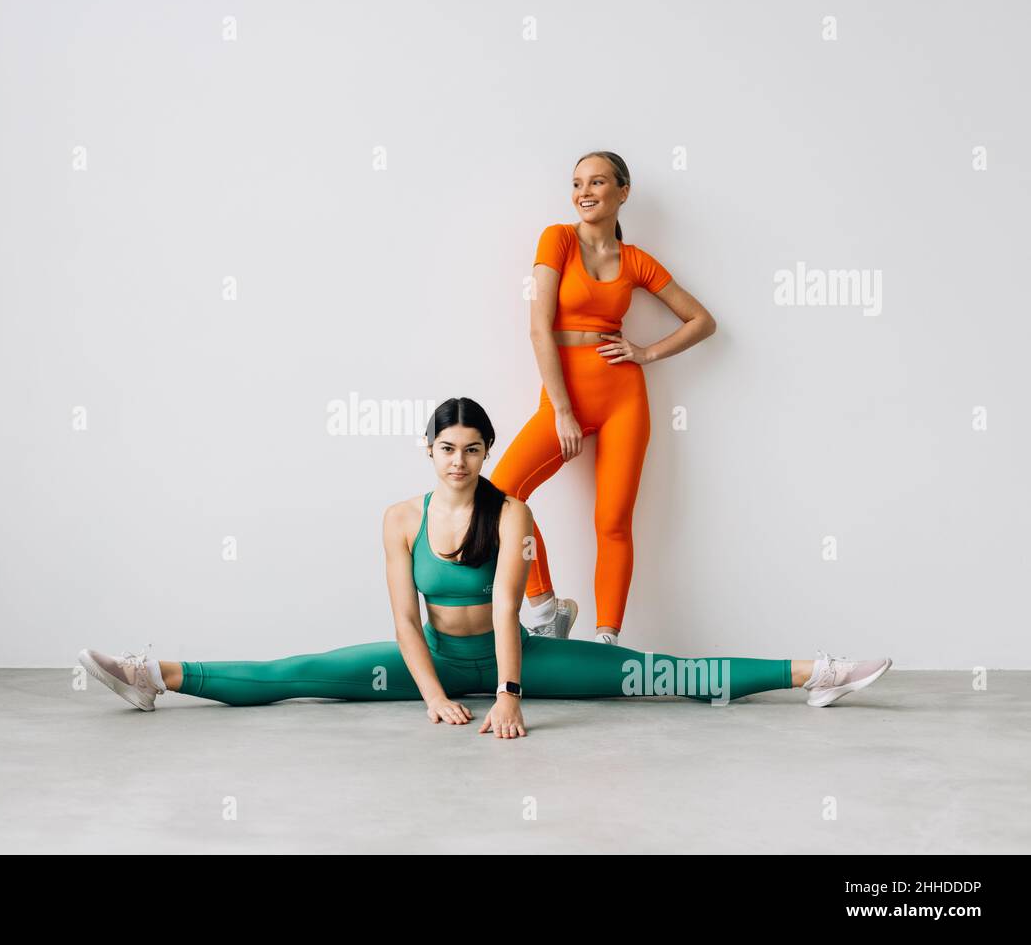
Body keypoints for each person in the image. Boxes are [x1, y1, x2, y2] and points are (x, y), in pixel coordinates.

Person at [77, 398, 891, 738]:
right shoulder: (401, 517)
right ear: (428, 451)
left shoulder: (512, 512)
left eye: (473, 448)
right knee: (298, 670)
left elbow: (508, 609)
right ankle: (154, 673)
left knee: (661, 674)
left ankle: (817, 669)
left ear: (486, 452)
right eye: (447, 448)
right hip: (428, 660)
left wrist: (509, 698)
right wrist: (433, 695)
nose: (460, 458)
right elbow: (403, 620)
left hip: (516, 660)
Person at [491, 151, 716, 645]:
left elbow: (703, 321)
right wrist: (563, 410)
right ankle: (547, 608)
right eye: (576, 184)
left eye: (597, 182)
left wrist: (647, 352)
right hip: (564, 397)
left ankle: (607, 638)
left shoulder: (636, 260)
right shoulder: (558, 238)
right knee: (501, 496)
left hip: (623, 398)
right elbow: (538, 329)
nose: (584, 192)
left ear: (623, 191)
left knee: (613, 520)